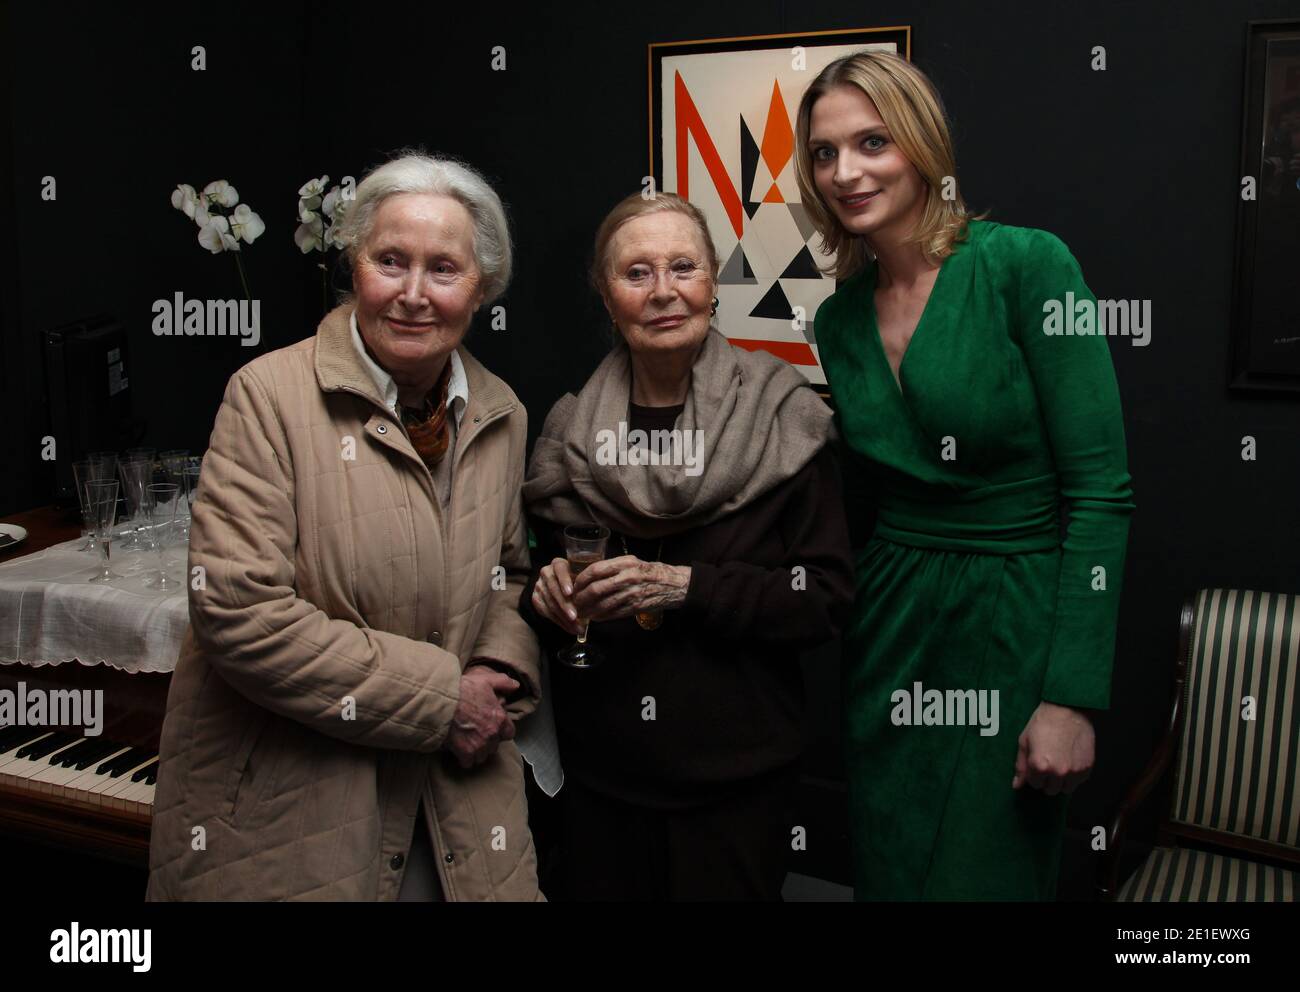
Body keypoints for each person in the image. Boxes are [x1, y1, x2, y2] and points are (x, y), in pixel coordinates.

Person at [147, 152, 543, 901]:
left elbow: (510, 574)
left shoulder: (503, 412)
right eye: (390, 261)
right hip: (295, 817)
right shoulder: (267, 396)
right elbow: (240, 612)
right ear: (354, 264)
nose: (413, 295)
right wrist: (440, 701)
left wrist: (496, 669)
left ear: (484, 288)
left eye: (444, 269)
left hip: (454, 805)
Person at [794, 51, 1135, 899]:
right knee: (890, 862)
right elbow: (865, 498)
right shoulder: (837, 319)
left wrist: (1070, 698)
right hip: (891, 630)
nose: (846, 170)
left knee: (986, 874)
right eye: (825, 153)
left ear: (921, 143)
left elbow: (1101, 493)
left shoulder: (1026, 266)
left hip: (1014, 620)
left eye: (872, 141)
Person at [520, 191, 854, 901]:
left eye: (683, 267)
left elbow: (825, 599)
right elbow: (537, 580)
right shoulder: (570, 429)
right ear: (607, 298)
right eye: (636, 273)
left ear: (712, 284)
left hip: (735, 781)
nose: (664, 291)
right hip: (602, 778)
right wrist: (542, 592)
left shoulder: (782, 418)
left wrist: (687, 588)